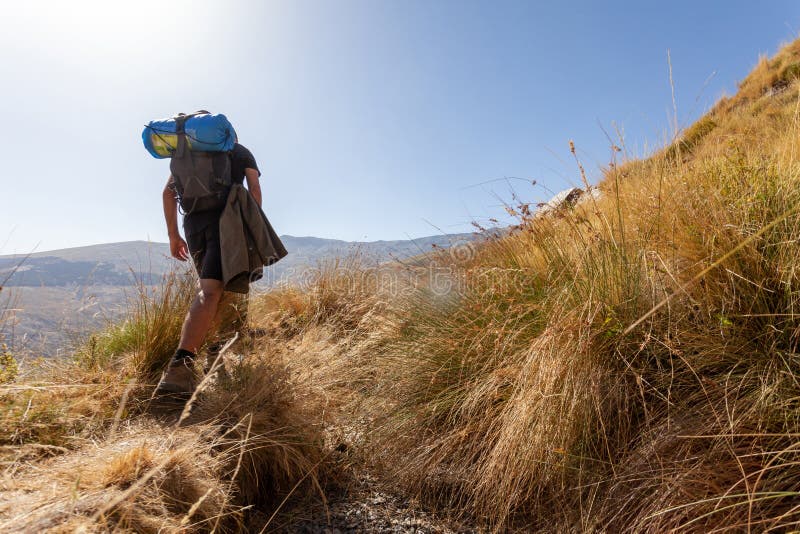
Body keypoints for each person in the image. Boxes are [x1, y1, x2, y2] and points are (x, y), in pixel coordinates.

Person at [155, 142, 264, 400]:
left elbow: (167, 194)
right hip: (226, 222)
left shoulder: (186, 153)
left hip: (193, 224)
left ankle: (214, 355)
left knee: (215, 288)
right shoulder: (239, 151)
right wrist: (251, 227)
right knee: (212, 291)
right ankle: (179, 370)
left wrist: (173, 235)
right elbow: (255, 190)